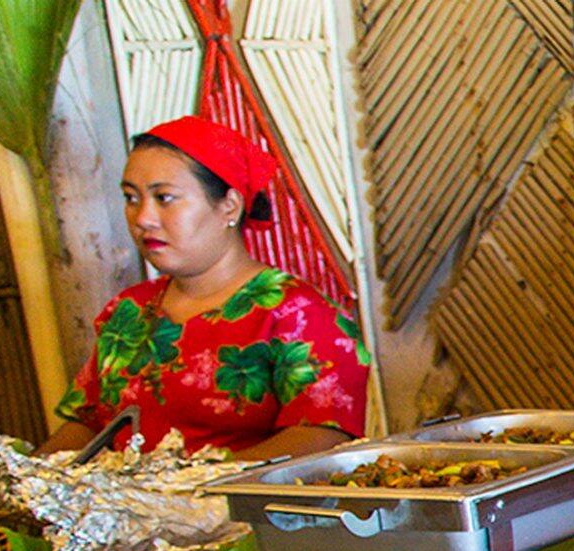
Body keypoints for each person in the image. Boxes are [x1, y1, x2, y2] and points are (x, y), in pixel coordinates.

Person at [36, 116, 369, 460]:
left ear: (229, 206)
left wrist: (189, 491)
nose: (143, 218)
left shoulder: (300, 317)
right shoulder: (129, 312)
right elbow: (89, 424)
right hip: (128, 511)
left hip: (238, 511)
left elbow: (322, 440)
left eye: (164, 198)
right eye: (131, 198)